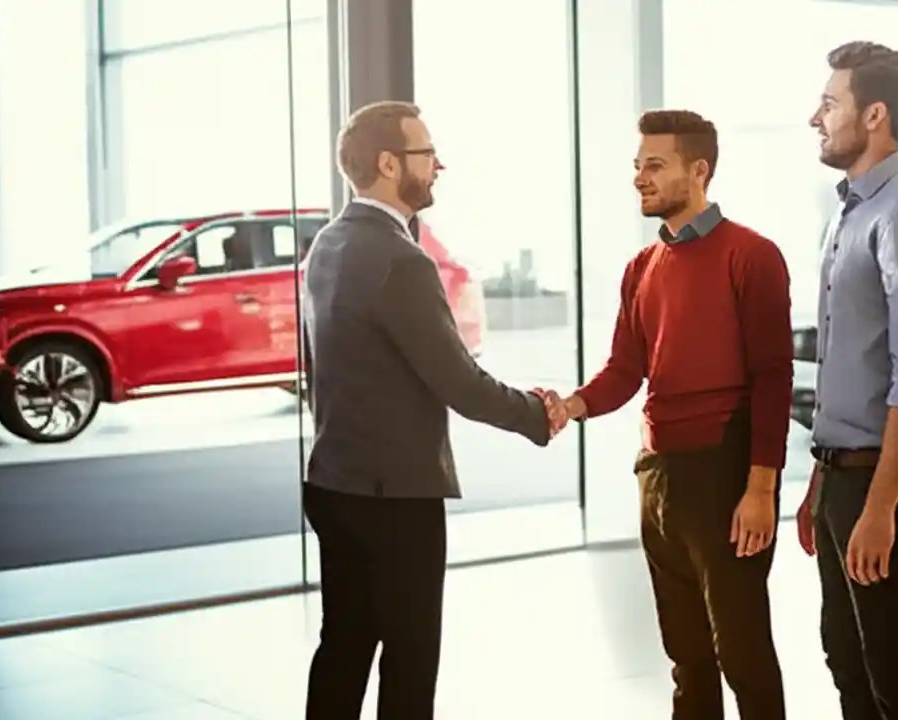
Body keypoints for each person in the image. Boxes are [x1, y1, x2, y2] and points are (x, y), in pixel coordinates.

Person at [299, 100, 566, 720]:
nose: (438, 164)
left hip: (334, 482)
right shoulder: (402, 260)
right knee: (411, 658)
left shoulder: (328, 246)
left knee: (343, 644)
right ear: (389, 163)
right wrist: (536, 413)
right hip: (395, 497)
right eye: (426, 153)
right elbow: (460, 382)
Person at [547, 109, 793, 720]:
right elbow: (625, 371)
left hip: (725, 474)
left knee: (742, 653)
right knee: (685, 657)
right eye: (636, 166)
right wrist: (571, 405)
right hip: (657, 475)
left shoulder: (753, 255)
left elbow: (773, 379)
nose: (639, 178)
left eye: (654, 165)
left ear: (699, 169)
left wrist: (761, 488)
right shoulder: (640, 269)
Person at [796, 41, 898, 720]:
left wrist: (880, 508)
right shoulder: (852, 211)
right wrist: (822, 477)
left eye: (830, 103)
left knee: (897, 674)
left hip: (883, 483)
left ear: (875, 116)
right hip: (845, 475)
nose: (815, 116)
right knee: (847, 656)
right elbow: (850, 366)